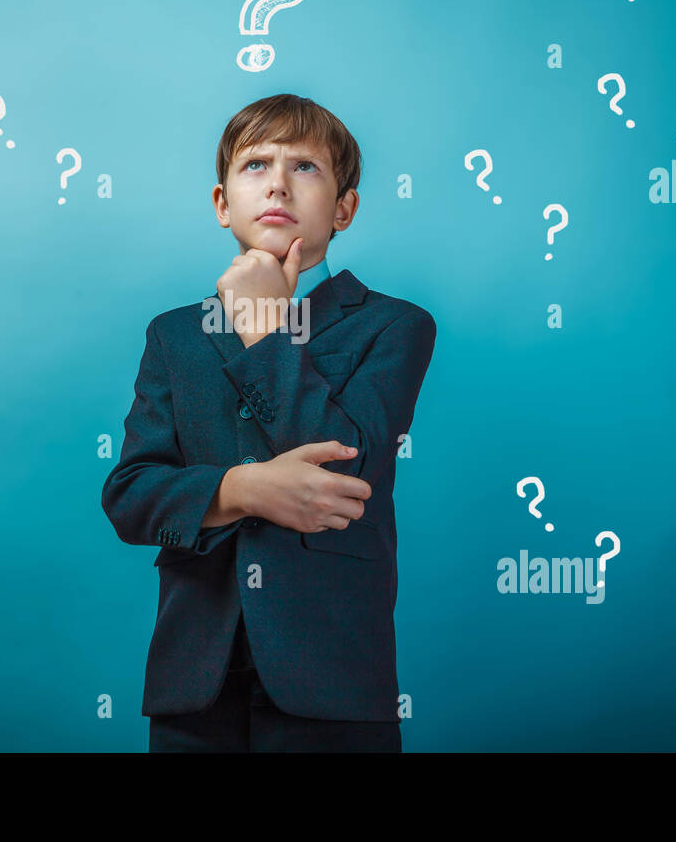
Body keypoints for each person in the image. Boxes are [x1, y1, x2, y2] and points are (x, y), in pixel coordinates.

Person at [101, 93, 436, 751]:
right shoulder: (174, 335)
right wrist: (243, 490)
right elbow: (131, 497)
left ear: (345, 207)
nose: (278, 182)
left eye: (305, 167)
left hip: (333, 683)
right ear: (223, 203)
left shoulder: (395, 326)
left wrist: (264, 328)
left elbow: (348, 463)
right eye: (255, 165)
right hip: (194, 684)